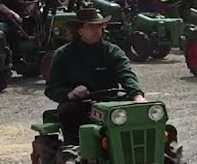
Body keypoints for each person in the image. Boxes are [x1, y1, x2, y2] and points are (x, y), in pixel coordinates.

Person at [44, 8, 145, 147]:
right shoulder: (64, 54)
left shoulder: (112, 51)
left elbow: (126, 73)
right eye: (91, 26)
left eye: (99, 26)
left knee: (140, 114)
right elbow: (51, 88)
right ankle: (75, 150)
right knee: (68, 111)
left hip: (110, 102)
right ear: (79, 31)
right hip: (80, 104)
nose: (97, 30)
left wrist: (137, 95)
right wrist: (71, 93)